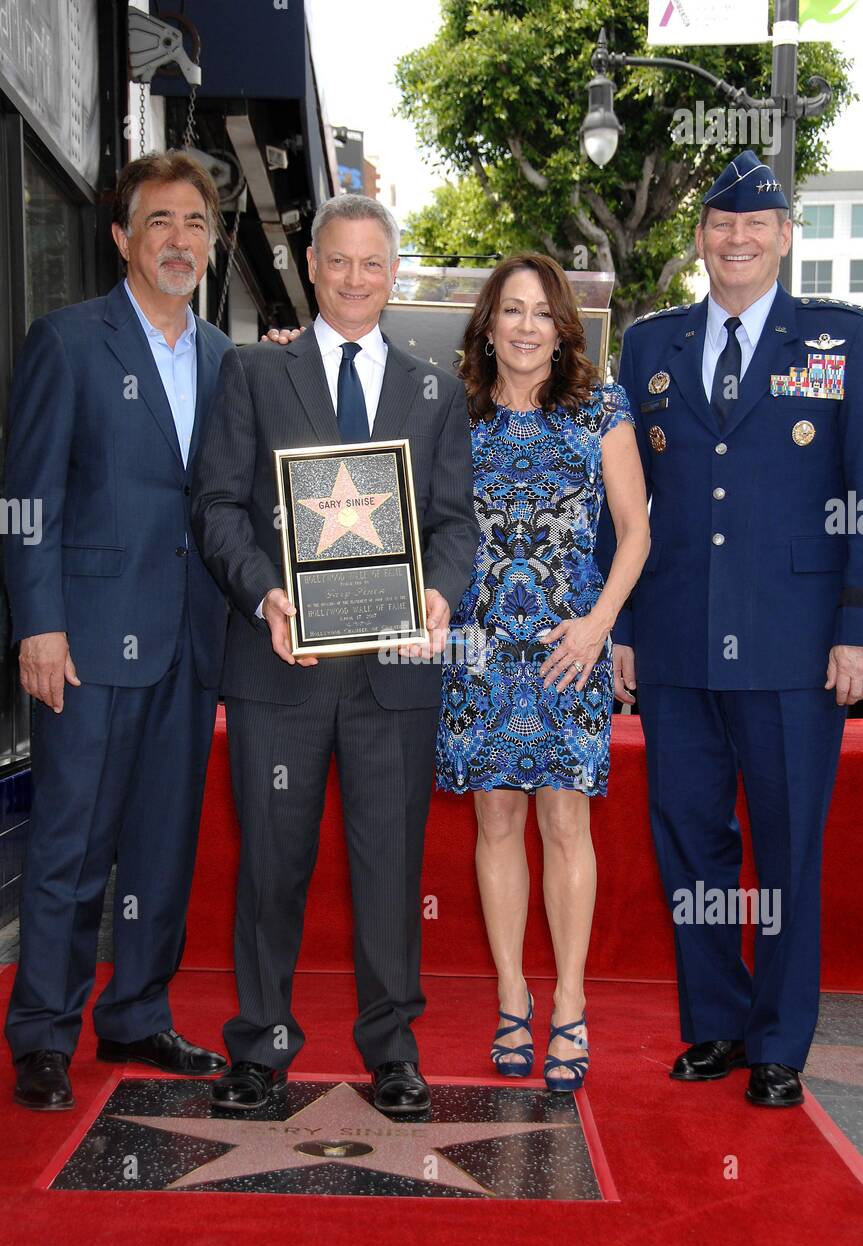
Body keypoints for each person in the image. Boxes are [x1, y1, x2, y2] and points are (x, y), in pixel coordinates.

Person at [191, 193, 478, 1116]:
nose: (355, 279)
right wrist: (264, 594)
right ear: (311, 267)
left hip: (394, 678)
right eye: (338, 261)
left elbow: (453, 524)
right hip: (281, 665)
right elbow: (218, 508)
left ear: (394, 274)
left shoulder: (434, 391)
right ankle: (261, 1047)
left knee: (391, 868)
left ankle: (392, 1047)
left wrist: (436, 593)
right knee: (271, 862)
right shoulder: (250, 375)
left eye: (373, 263)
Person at [606, 151, 863, 1106]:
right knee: (691, 838)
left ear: (786, 236)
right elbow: (620, 499)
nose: (737, 238)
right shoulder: (649, 346)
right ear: (700, 237)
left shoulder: (841, 341)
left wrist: (855, 624)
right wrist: (621, 621)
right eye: (720, 224)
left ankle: (779, 1041)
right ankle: (713, 1024)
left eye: (756, 224)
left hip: (795, 643)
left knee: (789, 845)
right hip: (675, 639)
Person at [4, 152, 234, 1110]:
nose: (178, 240)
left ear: (213, 243)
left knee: (161, 842)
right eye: (159, 223)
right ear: (121, 238)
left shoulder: (228, 357)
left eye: (194, 224)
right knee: (70, 842)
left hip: (192, 640)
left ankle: (136, 1014)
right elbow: (25, 497)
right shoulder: (68, 340)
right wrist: (39, 626)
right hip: (90, 641)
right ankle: (44, 1035)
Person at [435, 254, 650, 1090]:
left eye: (541, 313)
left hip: (569, 647)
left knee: (565, 827)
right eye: (510, 311)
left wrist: (600, 627)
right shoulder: (453, 413)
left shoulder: (600, 408)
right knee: (494, 826)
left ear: (562, 329)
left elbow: (633, 531)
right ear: (487, 325)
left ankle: (568, 1004)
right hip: (479, 648)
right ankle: (509, 997)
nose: (525, 327)